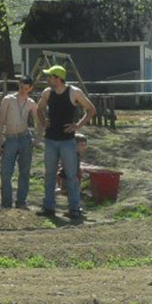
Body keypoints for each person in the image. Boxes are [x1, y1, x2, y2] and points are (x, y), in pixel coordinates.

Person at [35, 65, 98, 220]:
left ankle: (74, 209)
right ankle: (48, 207)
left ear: (58, 78)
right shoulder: (47, 93)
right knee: (49, 175)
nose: (47, 79)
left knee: (71, 176)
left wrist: (77, 126)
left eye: (50, 76)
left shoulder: (74, 92)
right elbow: (39, 109)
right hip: (50, 140)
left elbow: (91, 109)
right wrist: (44, 123)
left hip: (67, 142)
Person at [0, 75, 37, 209]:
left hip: (25, 138)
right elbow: (1, 121)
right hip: (10, 138)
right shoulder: (8, 99)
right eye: (20, 87)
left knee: (24, 171)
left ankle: (21, 202)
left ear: (30, 88)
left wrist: (38, 138)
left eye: (26, 88)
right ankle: (6, 203)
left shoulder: (31, 102)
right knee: (6, 172)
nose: (22, 90)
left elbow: (39, 120)